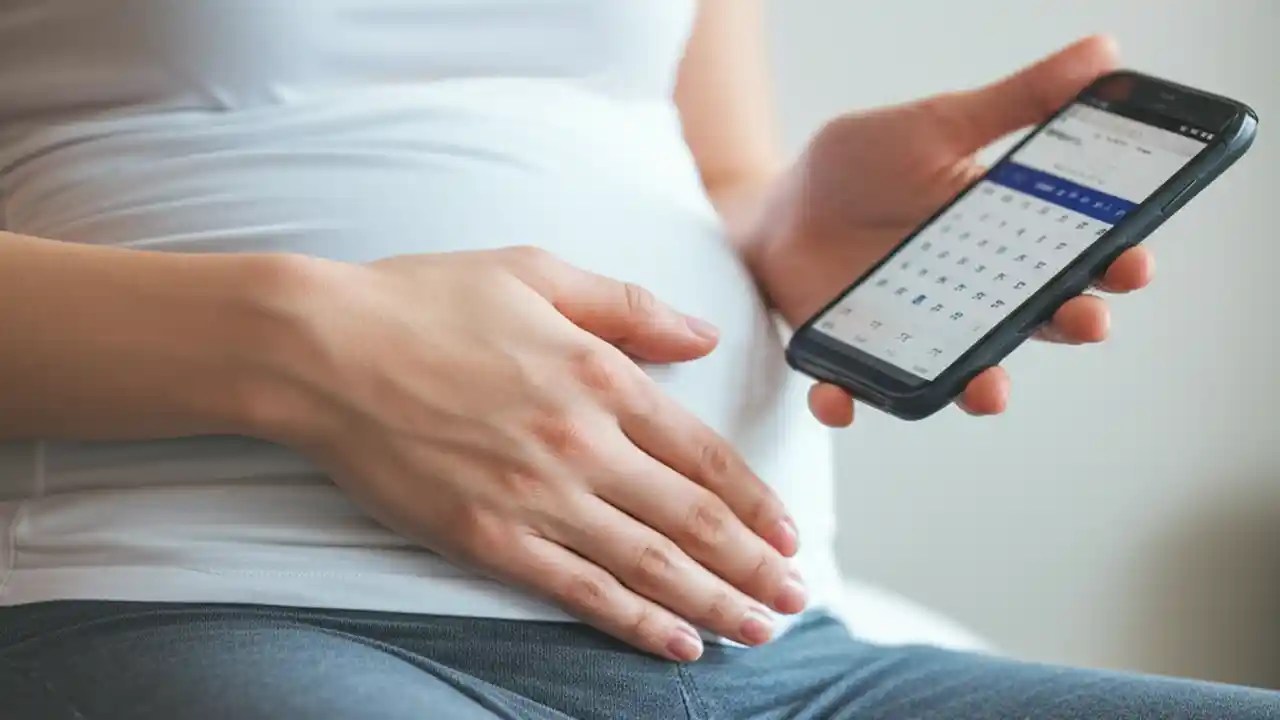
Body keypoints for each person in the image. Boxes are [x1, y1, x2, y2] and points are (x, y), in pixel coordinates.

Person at [0, 2, 1273, 719]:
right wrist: (306, 341)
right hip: (218, 604)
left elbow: (699, 154)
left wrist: (786, 226)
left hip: (784, 654)